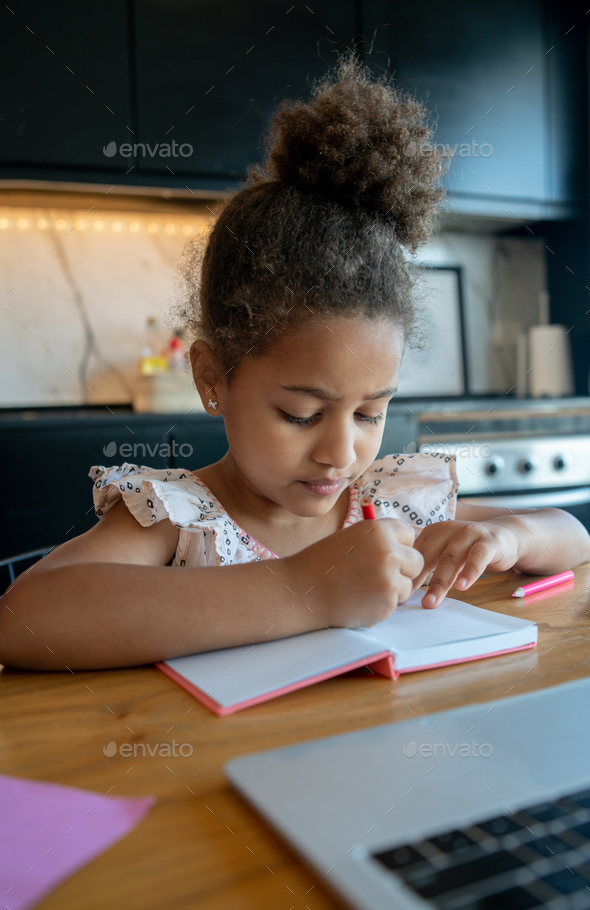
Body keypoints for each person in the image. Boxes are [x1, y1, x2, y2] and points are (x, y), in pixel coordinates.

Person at [2, 53, 589, 672]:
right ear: (212, 378)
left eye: (368, 413)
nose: (341, 453)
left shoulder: (389, 503)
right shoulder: (180, 517)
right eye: (301, 414)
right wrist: (302, 589)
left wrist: (508, 537)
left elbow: (574, 536)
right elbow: (23, 620)